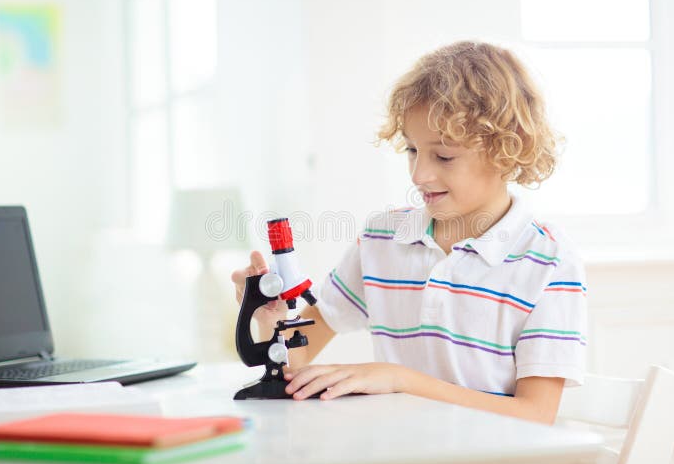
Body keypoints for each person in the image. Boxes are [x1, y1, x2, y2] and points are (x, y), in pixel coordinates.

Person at [231, 41, 587, 425]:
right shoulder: (383, 239)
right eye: (412, 151)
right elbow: (296, 358)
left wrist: (400, 380)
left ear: (506, 150)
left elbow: (535, 415)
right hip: (399, 455)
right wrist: (269, 319)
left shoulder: (550, 260)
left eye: (444, 156)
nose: (419, 176)